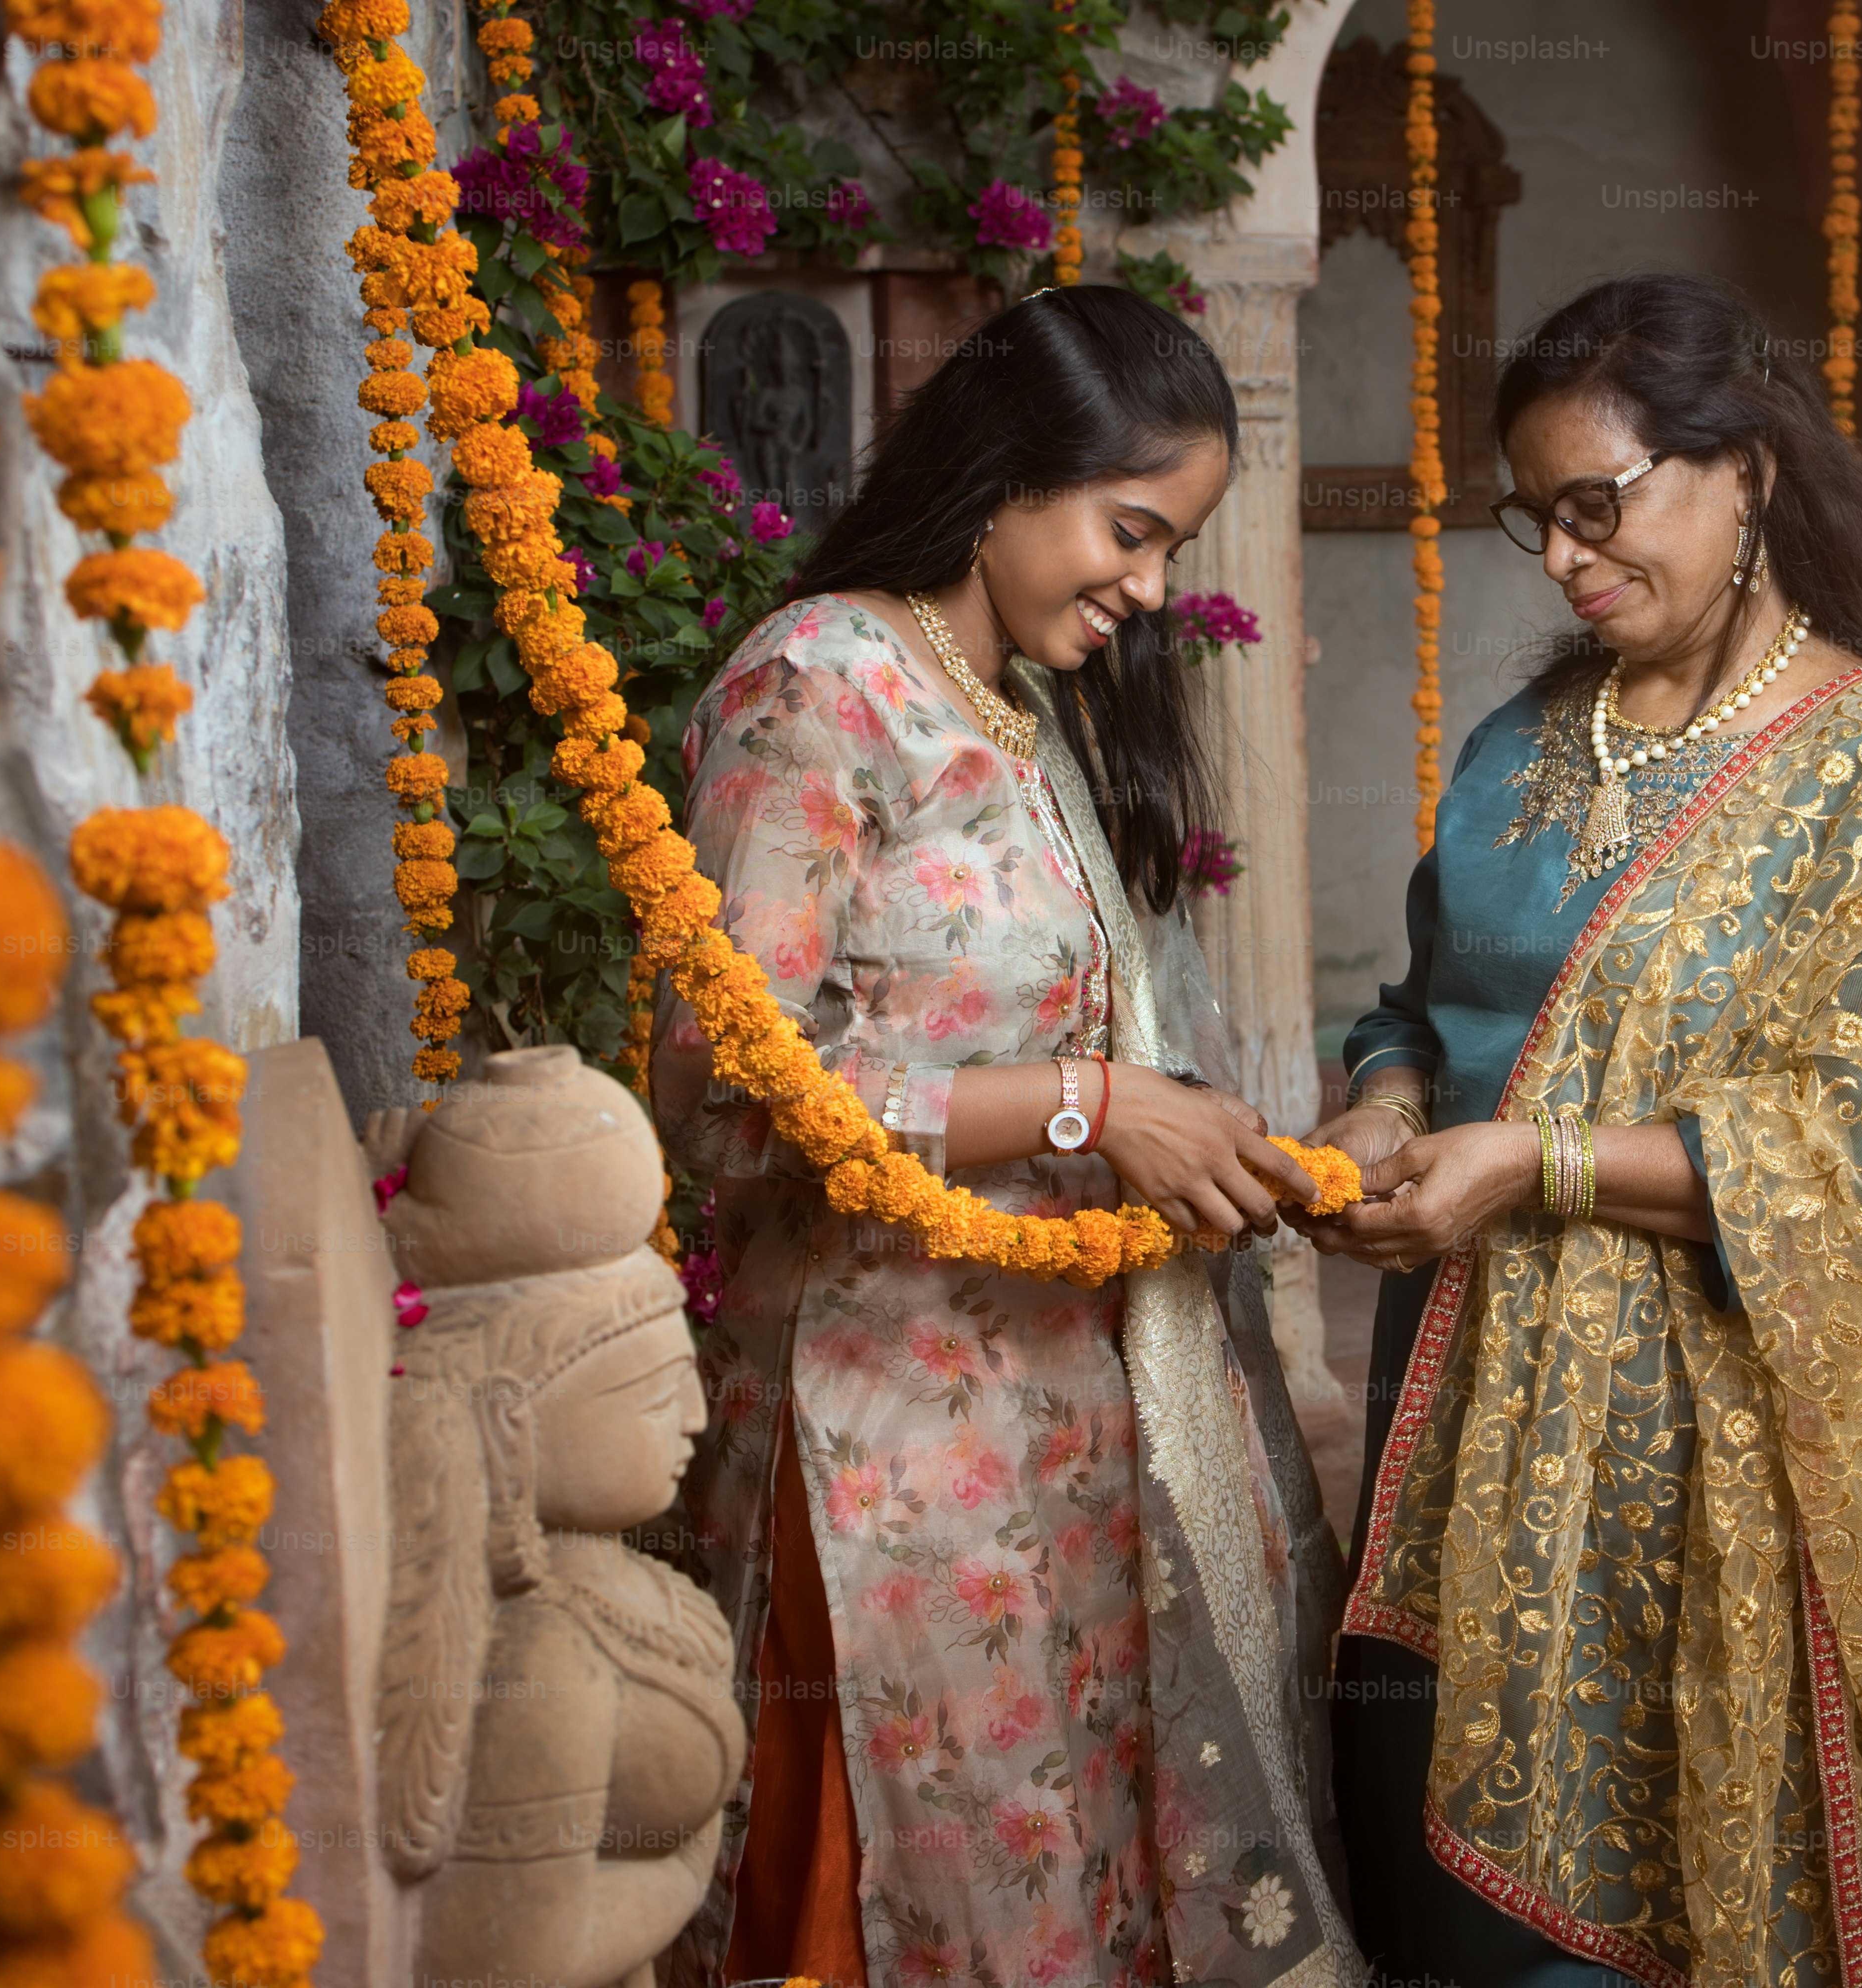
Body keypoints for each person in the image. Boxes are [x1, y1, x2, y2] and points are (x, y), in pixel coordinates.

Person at [1300, 272, 1862, 1988]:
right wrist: (1387, 1106)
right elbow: (1417, 1000)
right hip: (1464, 1368)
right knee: (1429, 1804)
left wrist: (1539, 1164)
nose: (1569, 559)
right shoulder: (1517, 748)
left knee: (1667, 1835)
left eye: (1605, 504)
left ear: (1752, 473)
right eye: (1539, 520)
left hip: (1715, 1422)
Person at [650, 284, 1358, 1988]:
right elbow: (721, 1089)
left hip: (1055, 1409)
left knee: (1062, 1875)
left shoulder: (1014, 715)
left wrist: (1194, 1135)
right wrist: (1095, 1110)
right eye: (1129, 530)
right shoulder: (815, 685)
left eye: (1171, 546)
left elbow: (1064, 1042)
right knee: (897, 1871)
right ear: (1003, 476)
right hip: (879, 1434)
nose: (1151, 588)